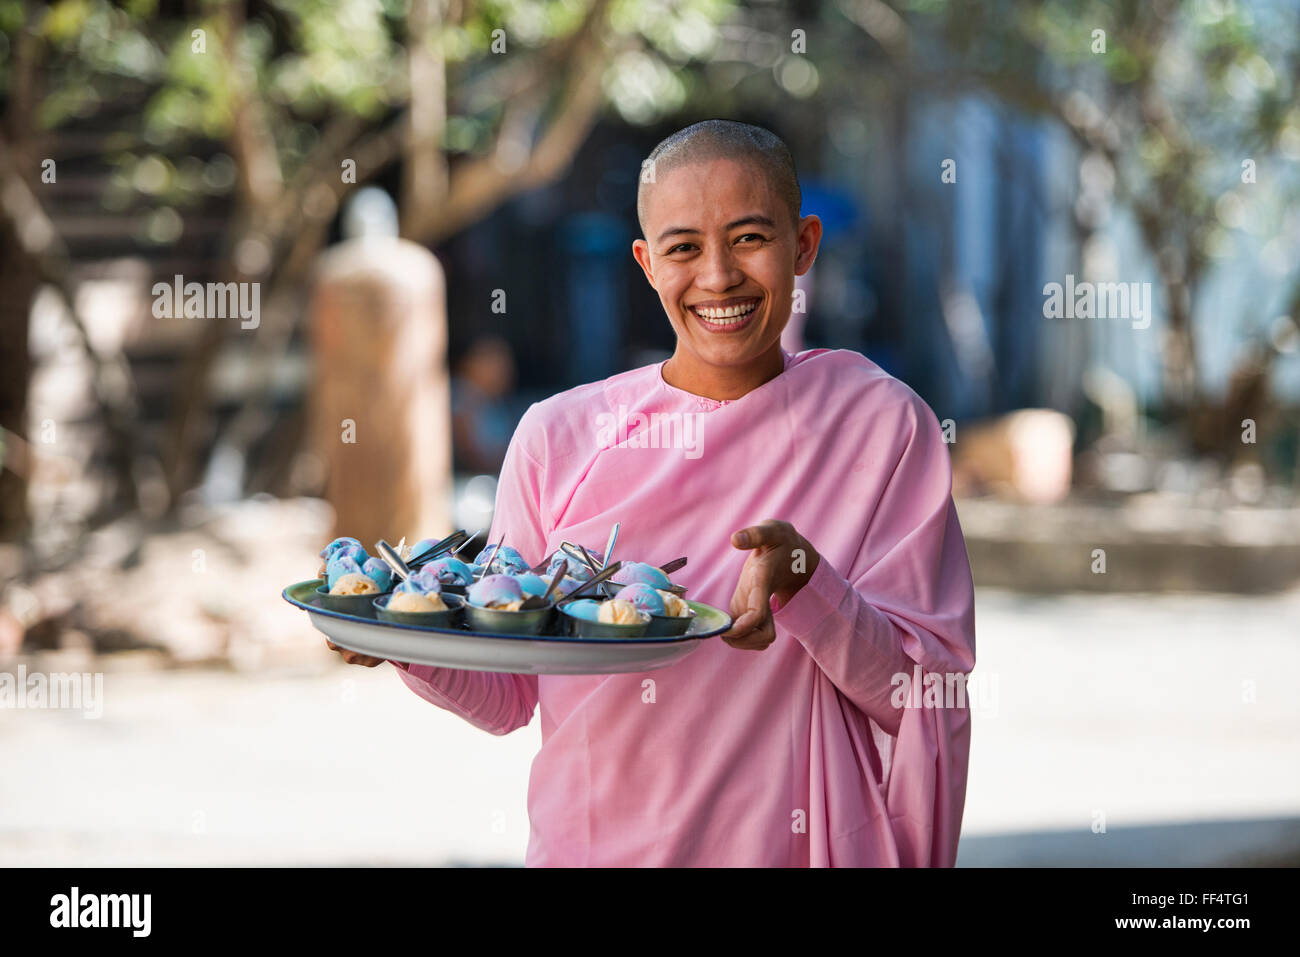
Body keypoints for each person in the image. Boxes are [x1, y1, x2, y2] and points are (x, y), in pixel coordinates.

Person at [328, 120, 977, 867]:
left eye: (748, 238)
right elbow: (509, 694)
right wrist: (399, 638)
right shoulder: (558, 436)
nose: (718, 276)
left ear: (803, 245)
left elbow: (925, 700)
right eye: (683, 248)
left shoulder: (879, 426)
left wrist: (811, 587)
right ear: (646, 261)